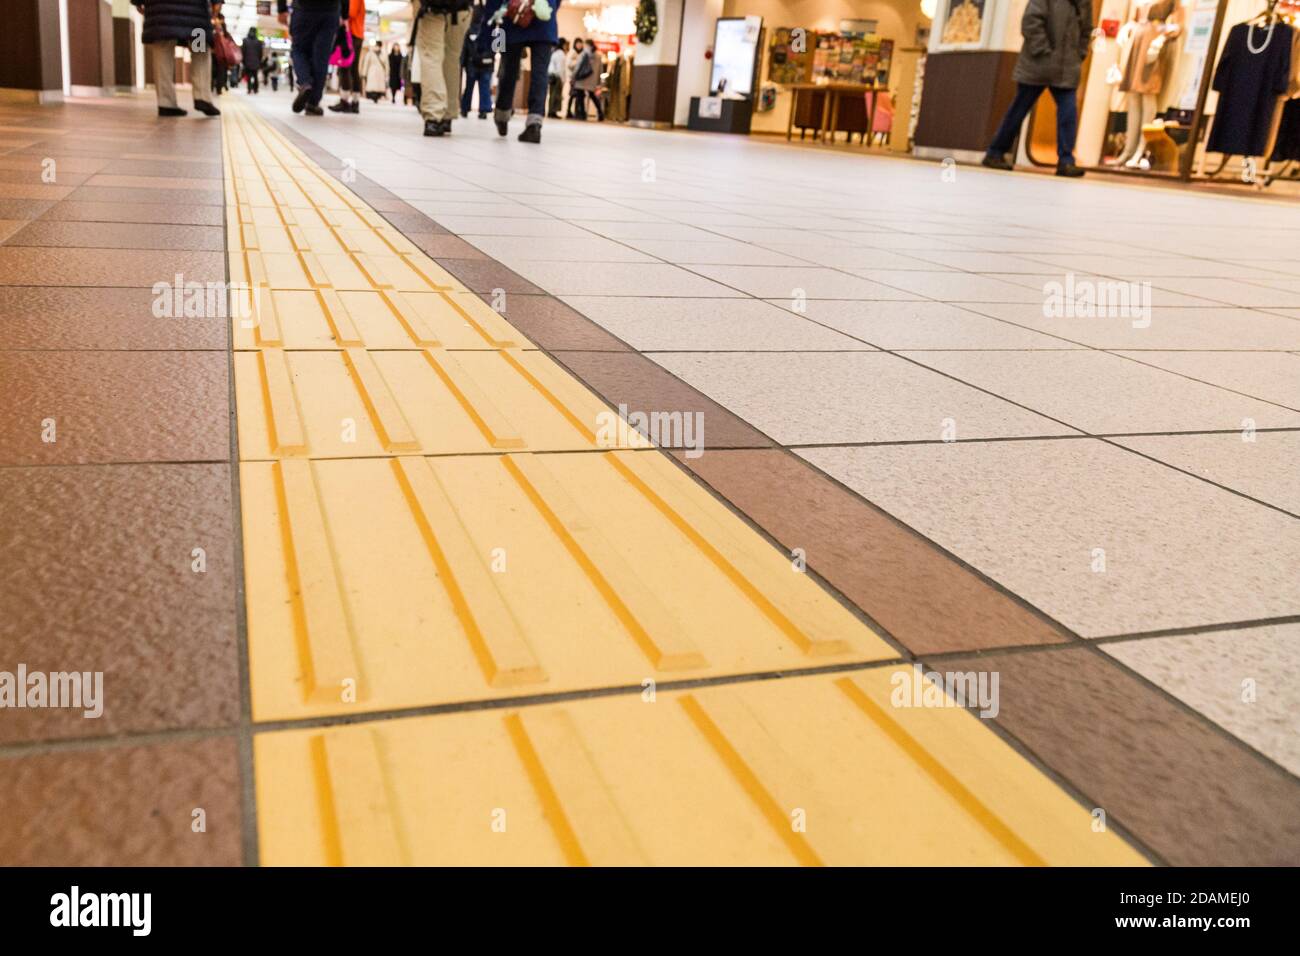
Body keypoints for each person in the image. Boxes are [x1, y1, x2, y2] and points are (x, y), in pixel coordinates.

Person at [983, 0, 1092, 177]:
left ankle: (1066, 161)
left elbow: (1086, 30)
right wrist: (1043, 51)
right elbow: (1030, 21)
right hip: (1037, 64)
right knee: (1019, 109)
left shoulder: (1084, 3)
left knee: (1068, 112)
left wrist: (1079, 53)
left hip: (1067, 68)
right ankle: (995, 152)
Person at [133, 0, 220, 117]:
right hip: (195, 10)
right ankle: (202, 96)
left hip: (160, 8)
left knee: (163, 47)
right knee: (200, 48)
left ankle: (166, 103)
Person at [494, 0, 562, 143]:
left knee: (508, 69)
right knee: (540, 74)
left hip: (513, 16)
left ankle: (502, 115)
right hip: (544, 19)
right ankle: (534, 123)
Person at [276, 0, 348, 117]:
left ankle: (305, 83)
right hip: (330, 11)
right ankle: (313, 103)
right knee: (321, 57)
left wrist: (282, 9)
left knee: (299, 50)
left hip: (303, 9)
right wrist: (344, 14)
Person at [412, 0, 472, 137]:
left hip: (430, 9)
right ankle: (447, 115)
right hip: (461, 9)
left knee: (431, 57)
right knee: (451, 61)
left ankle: (434, 115)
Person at [459, 1, 495, 119]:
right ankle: (483, 110)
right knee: (484, 88)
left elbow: (465, 47)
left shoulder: (471, 29)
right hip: (486, 63)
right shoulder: (492, 28)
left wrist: (463, 62)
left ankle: (465, 108)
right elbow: (499, 46)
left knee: (470, 87)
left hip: (472, 63)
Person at [330, 0, 366, 113]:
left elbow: (351, 13)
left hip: (352, 34)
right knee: (352, 69)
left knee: (345, 67)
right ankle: (354, 102)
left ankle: (345, 101)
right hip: (354, 34)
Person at [571, 36, 602, 121]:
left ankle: (582, 114)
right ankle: (600, 112)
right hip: (593, 80)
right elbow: (601, 70)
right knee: (592, 95)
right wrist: (598, 82)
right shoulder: (598, 56)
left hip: (582, 78)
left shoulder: (584, 54)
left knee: (580, 96)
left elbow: (578, 66)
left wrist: (573, 76)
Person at [546, 37, 567, 118]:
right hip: (557, 76)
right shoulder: (560, 54)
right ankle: (553, 111)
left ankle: (551, 111)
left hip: (552, 75)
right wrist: (563, 79)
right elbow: (560, 68)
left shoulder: (554, 52)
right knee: (556, 95)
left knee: (552, 94)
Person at [241, 26, 263, 93]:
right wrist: (259, 61)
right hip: (256, 62)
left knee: (249, 76)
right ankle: (255, 89)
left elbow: (243, 52)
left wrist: (243, 61)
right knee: (255, 76)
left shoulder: (245, 40)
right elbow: (260, 53)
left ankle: (249, 89)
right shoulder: (259, 42)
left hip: (247, 61)